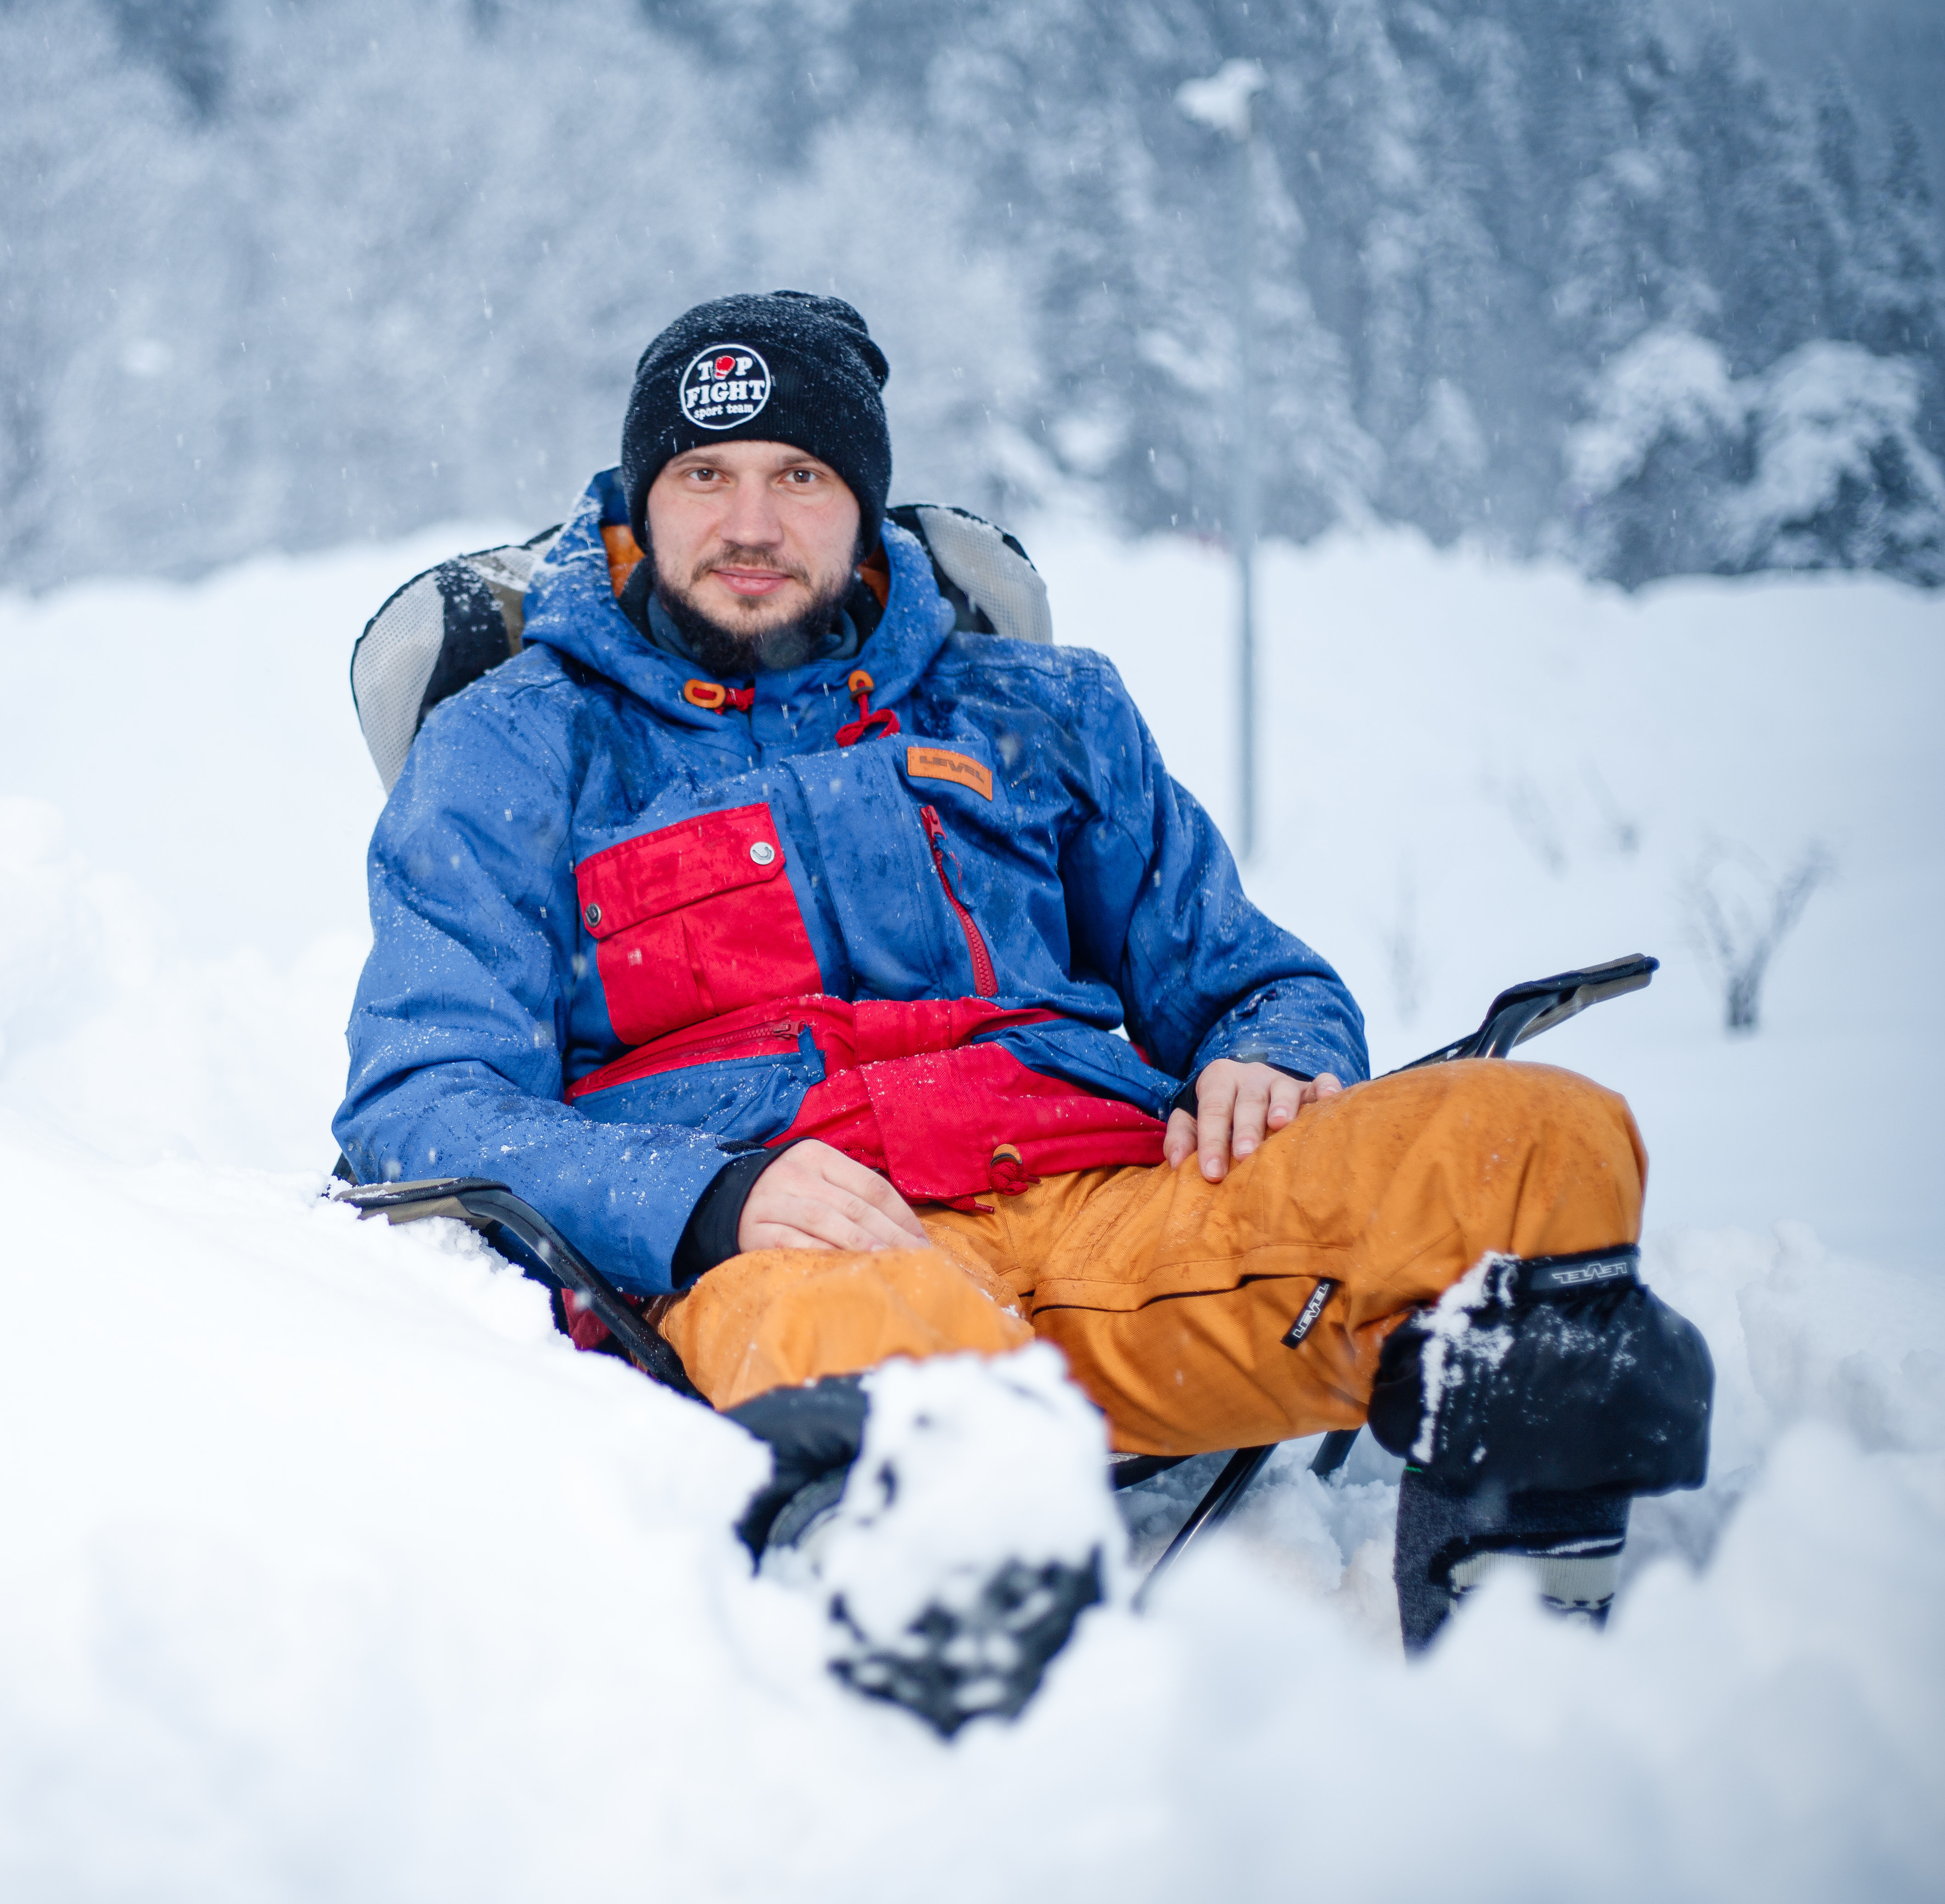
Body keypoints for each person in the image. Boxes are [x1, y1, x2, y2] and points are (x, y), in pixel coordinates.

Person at [333, 292, 1708, 1666]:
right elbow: (425, 1103)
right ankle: (1025, 1793)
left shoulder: (1042, 708)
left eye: (799, 477)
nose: (748, 524)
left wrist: (1273, 1048)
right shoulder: (514, 748)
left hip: (1118, 1216)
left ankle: (1524, 1690)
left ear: (864, 505)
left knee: (1534, 1145)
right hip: (802, 1265)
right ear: (644, 500)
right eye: (705, 475)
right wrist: (711, 1198)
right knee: (907, 1398)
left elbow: (1251, 977)